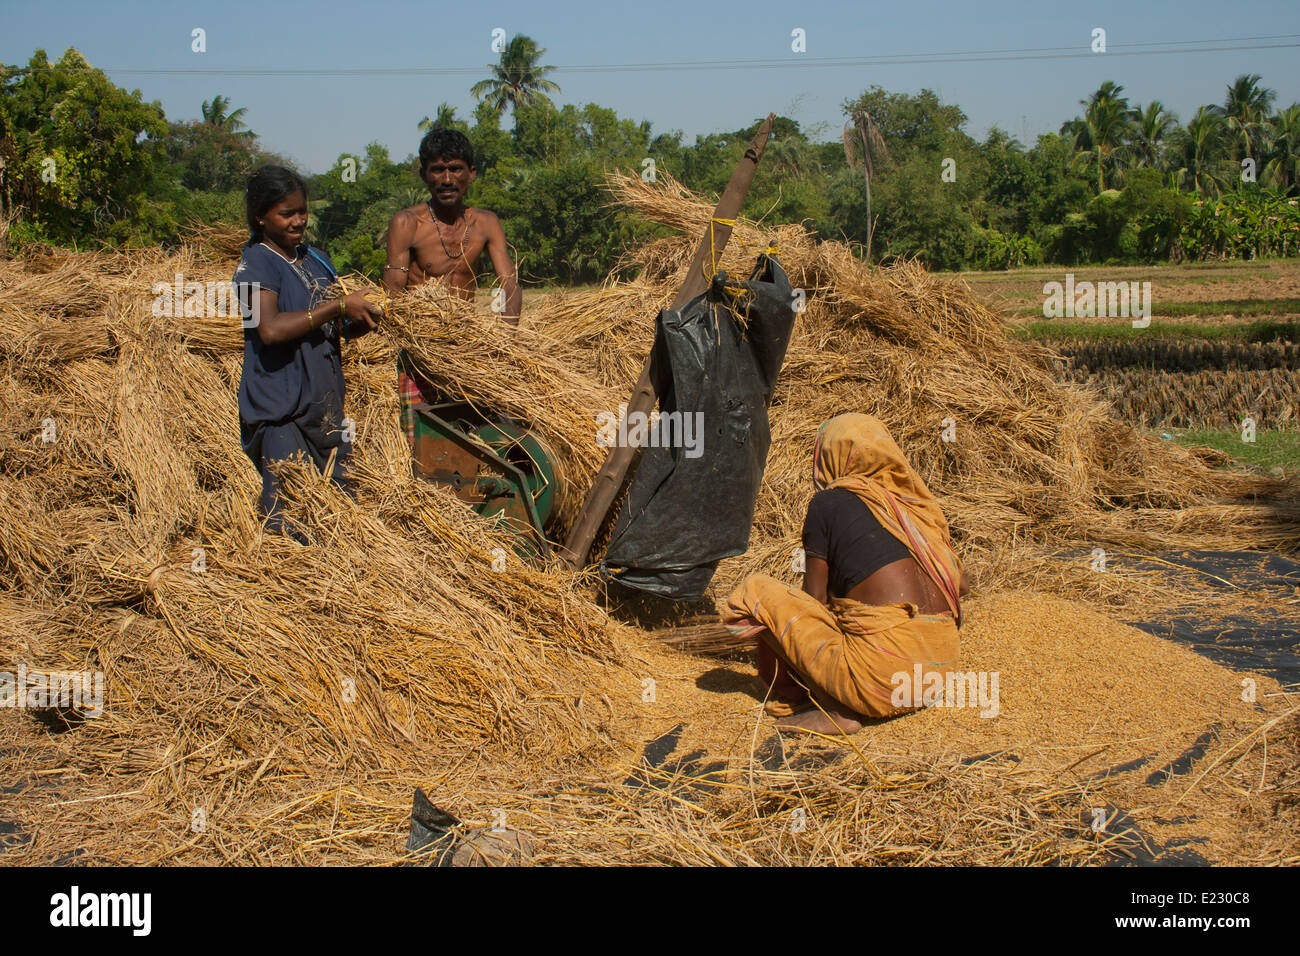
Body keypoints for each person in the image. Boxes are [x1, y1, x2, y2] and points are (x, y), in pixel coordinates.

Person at [723, 413, 969, 735]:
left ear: (831, 456)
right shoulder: (912, 509)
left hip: (881, 682)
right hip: (939, 674)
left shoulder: (829, 503)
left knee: (754, 593)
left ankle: (836, 710)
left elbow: (814, 603)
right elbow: (961, 585)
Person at [234, 165, 384, 534]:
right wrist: (338, 307)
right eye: (287, 213)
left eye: (302, 211)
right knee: (291, 516)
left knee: (341, 511)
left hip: (325, 405)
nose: (298, 220)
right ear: (260, 216)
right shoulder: (254, 265)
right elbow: (268, 329)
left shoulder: (316, 259)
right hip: (280, 409)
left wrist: (362, 320)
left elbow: (330, 327)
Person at [382, 128, 521, 446]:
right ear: (424, 175)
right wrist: (423, 344)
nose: (447, 179)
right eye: (438, 170)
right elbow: (392, 297)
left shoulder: (486, 223)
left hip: (466, 348)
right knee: (424, 445)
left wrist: (505, 342)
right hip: (422, 354)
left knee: (482, 436)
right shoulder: (407, 223)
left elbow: (509, 283)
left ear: (471, 173)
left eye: (455, 169)